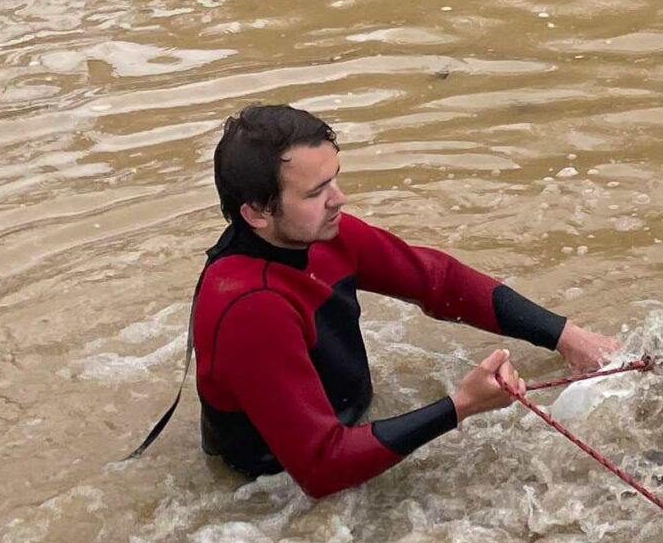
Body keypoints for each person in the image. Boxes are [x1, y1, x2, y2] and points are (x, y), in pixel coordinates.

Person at [193, 103, 620, 497]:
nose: (339, 198)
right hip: (271, 492)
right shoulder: (250, 305)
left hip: (346, 437)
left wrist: (566, 335)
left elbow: (439, 281)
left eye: (335, 178)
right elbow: (321, 468)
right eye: (316, 191)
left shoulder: (320, 234)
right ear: (256, 213)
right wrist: (460, 407)